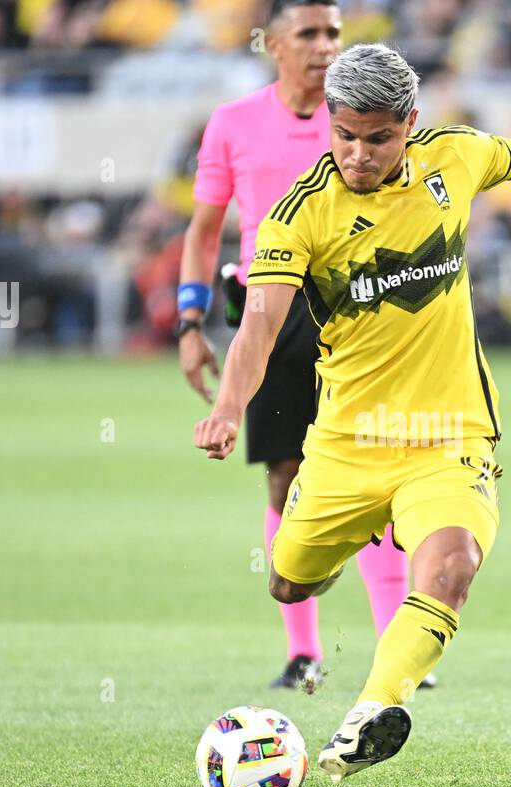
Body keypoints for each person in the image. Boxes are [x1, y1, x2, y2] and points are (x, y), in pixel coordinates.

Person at [194, 43, 511, 781]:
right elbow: (258, 326)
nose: (358, 154)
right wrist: (230, 408)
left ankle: (372, 709)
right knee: (288, 580)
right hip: (347, 443)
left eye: (378, 138)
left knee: (450, 569)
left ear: (410, 124)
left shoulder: (453, 156)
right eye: (345, 135)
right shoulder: (301, 215)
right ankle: (343, 554)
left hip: (448, 434)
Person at [177, 1, 416, 691]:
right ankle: (304, 653)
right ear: (273, 43)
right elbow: (202, 232)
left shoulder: (361, 127)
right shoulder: (233, 122)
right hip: (268, 309)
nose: (325, 46)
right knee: (284, 475)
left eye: (335, 33)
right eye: (310, 33)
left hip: (355, 306)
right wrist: (191, 325)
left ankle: (396, 647)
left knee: (375, 472)